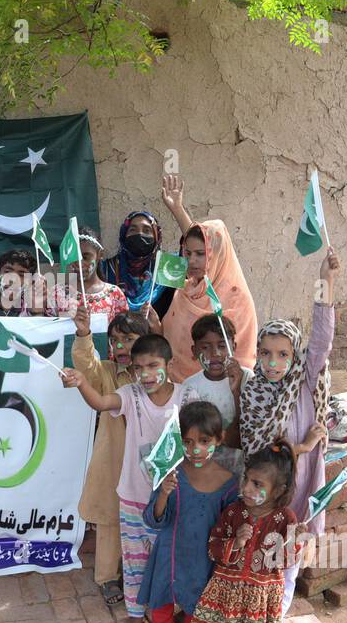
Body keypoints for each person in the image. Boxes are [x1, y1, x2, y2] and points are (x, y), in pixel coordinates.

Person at [61, 333, 198, 623]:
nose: (146, 375)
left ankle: (167, 612)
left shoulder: (187, 398)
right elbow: (100, 401)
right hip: (135, 498)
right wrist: (82, 382)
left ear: (169, 364)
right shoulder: (130, 395)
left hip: (174, 498)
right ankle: (136, 616)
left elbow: (199, 440)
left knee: (170, 559)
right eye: (139, 368)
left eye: (153, 366)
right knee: (135, 560)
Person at [235, 248, 339, 619]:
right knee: (261, 551)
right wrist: (305, 445)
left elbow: (323, 339)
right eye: (265, 354)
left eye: (282, 354)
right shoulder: (254, 389)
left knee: (291, 553)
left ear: (294, 355)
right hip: (267, 491)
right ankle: (257, 617)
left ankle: (275, 621)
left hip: (303, 483)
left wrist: (325, 281)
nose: (273, 363)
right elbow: (259, 450)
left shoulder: (306, 380)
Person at [184, 440, 299, 623]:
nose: (247, 488)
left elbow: (286, 561)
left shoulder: (286, 519)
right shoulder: (233, 512)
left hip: (261, 596)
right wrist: (235, 542)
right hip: (227, 593)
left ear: (278, 489)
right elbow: (213, 547)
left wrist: (294, 541)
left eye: (257, 484)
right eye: (247, 479)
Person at [136, 401, 239, 623]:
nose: (195, 450)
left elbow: (231, 524)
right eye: (188, 442)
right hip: (169, 555)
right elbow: (153, 519)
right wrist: (164, 495)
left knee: (197, 610)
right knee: (161, 607)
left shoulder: (229, 482)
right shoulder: (172, 474)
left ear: (219, 440)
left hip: (203, 559)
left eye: (204, 441)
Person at [71, 306, 150, 606]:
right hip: (113, 460)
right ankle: (106, 578)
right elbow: (85, 365)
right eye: (115, 340)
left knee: (144, 519)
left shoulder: (153, 374)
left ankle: (139, 574)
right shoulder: (105, 372)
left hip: (145, 465)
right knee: (109, 520)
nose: (119, 346)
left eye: (128, 339)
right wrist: (83, 333)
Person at [161, 219, 258, 380]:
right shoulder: (183, 291)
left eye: (200, 254)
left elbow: (242, 359)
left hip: (223, 396)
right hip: (176, 392)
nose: (192, 261)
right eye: (188, 253)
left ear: (217, 254)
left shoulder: (237, 299)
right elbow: (169, 341)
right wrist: (155, 326)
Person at [98, 174, 195, 317]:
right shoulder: (106, 270)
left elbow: (195, 247)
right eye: (133, 230)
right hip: (118, 339)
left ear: (157, 238)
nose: (140, 234)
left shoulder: (167, 267)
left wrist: (177, 209)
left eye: (147, 230)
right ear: (123, 236)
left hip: (161, 338)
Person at [180, 314, 249, 437]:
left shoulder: (247, 377)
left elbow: (249, 423)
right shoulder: (189, 386)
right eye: (205, 347)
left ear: (233, 347)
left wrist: (236, 391)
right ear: (194, 351)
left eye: (222, 346)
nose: (215, 353)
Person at [52, 227, 129, 318]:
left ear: (100, 255)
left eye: (85, 257)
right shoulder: (57, 293)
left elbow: (124, 329)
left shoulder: (114, 294)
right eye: (74, 257)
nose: (79, 263)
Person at [0, 248, 48, 316]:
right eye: (7, 272)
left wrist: (37, 312)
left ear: (30, 281)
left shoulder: (47, 310)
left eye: (21, 275)